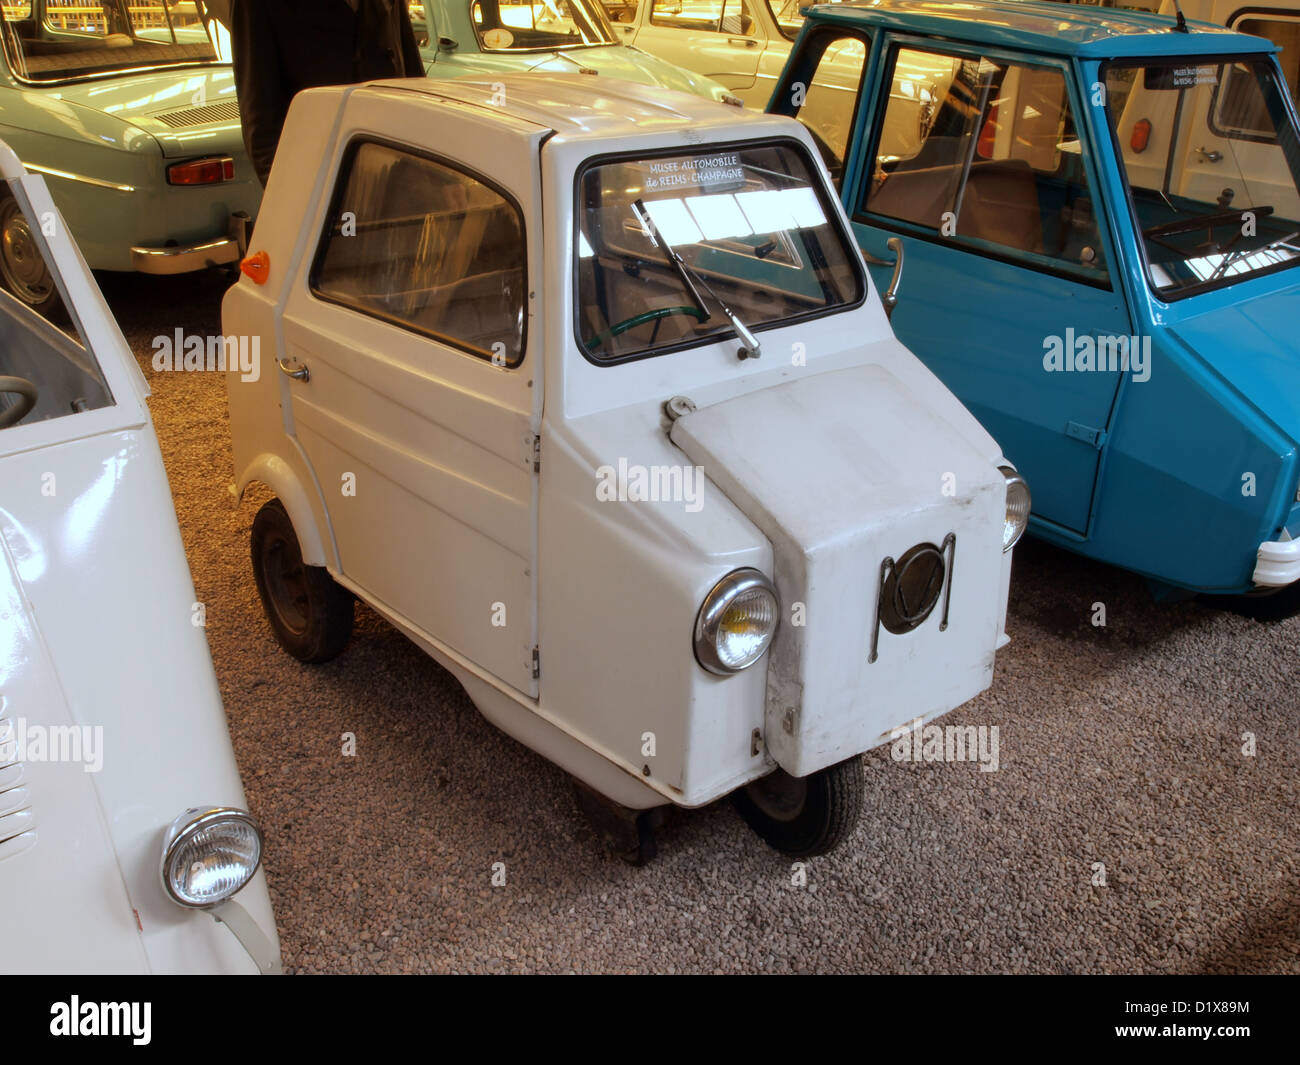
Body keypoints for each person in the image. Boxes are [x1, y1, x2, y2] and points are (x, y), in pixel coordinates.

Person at [230, 0, 425, 185]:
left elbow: (412, 73)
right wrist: (293, 200)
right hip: (319, 179)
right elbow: (261, 119)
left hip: (394, 171)